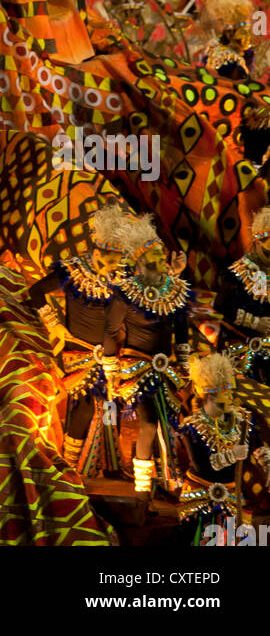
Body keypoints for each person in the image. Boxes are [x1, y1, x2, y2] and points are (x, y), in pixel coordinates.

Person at [28, 203, 132, 475]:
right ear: (96, 252)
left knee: (112, 408)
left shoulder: (122, 276)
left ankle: (110, 467)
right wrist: (54, 324)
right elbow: (36, 292)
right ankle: (71, 467)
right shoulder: (71, 272)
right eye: (109, 261)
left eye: (117, 262)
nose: (113, 268)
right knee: (83, 409)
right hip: (80, 354)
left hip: (112, 355)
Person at [102, 213, 191, 496]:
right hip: (136, 370)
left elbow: (182, 334)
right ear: (139, 262)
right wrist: (111, 372)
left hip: (167, 371)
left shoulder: (175, 290)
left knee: (169, 425)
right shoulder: (126, 294)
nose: (162, 259)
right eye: (154, 255)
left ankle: (164, 484)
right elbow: (110, 331)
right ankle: (142, 494)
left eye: (161, 253)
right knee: (150, 423)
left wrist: (186, 370)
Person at [177, 353, 270, 546]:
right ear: (210, 395)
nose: (231, 396)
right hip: (201, 497)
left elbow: (256, 444)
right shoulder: (192, 427)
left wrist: (267, 462)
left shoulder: (243, 418)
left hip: (234, 498)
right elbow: (203, 465)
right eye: (226, 392)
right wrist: (231, 456)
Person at [215, 206, 270, 384]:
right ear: (258, 242)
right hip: (241, 352)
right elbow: (222, 307)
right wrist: (255, 322)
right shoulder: (238, 273)